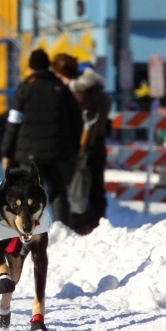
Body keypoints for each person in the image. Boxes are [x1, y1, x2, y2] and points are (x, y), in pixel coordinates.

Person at [0, 49, 83, 224]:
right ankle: (62, 227)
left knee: (28, 194)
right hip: (59, 153)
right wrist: (75, 150)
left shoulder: (24, 90)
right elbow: (76, 122)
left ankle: (27, 228)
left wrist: (6, 152)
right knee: (59, 192)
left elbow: (13, 123)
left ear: (31, 68)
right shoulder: (62, 90)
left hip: (29, 154)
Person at [51, 54, 112, 235]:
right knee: (96, 186)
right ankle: (98, 222)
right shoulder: (98, 91)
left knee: (76, 187)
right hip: (98, 143)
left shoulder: (74, 94)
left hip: (78, 144)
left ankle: (79, 222)